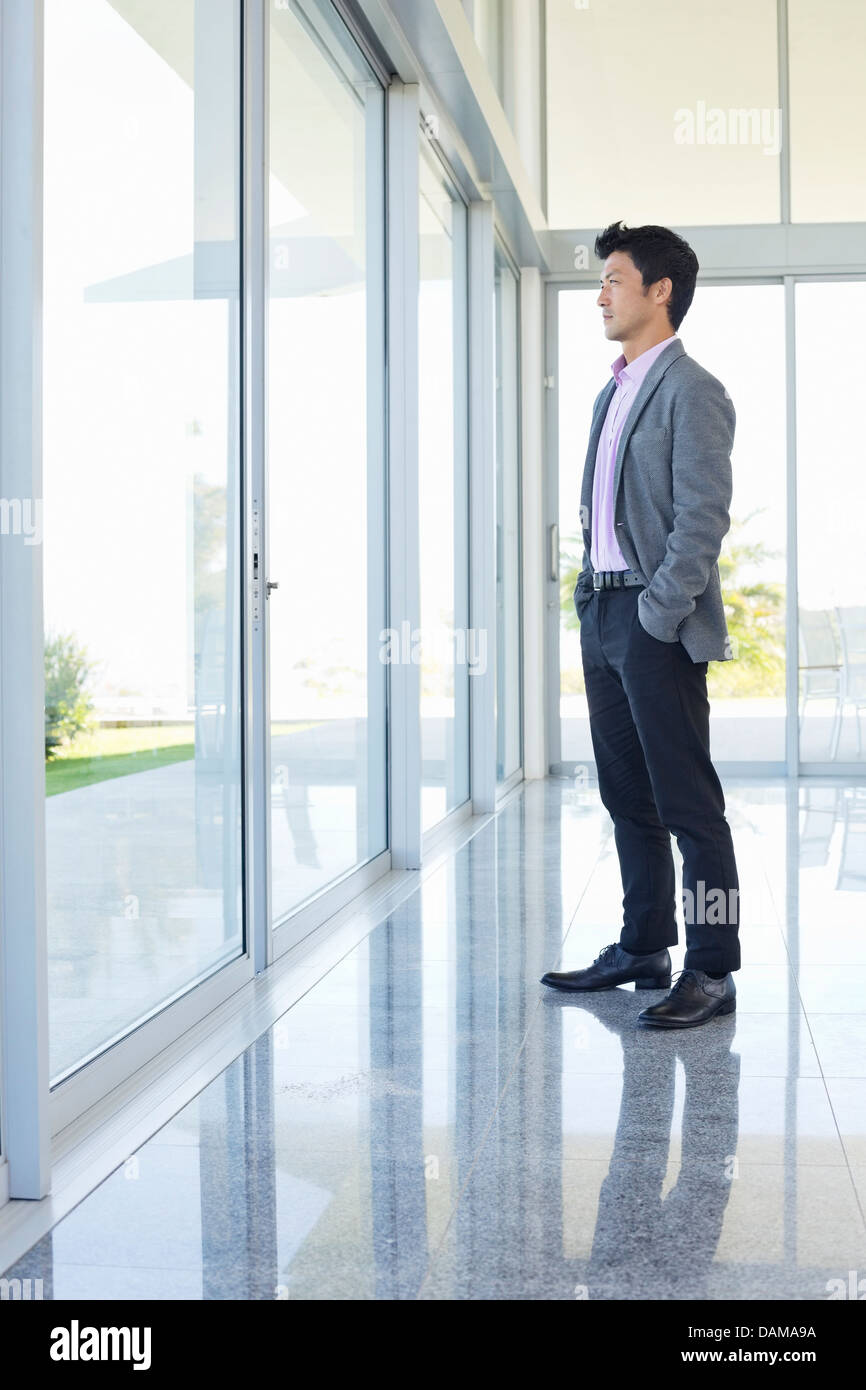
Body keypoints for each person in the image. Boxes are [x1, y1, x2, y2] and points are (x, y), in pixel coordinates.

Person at [541, 221, 740, 1028]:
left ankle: (714, 968)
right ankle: (644, 946)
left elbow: (703, 518)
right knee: (627, 794)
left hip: (656, 619)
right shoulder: (614, 388)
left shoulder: (694, 391)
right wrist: (594, 598)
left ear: (660, 291)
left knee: (688, 803)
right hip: (603, 609)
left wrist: (659, 612)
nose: (600, 295)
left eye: (615, 280)